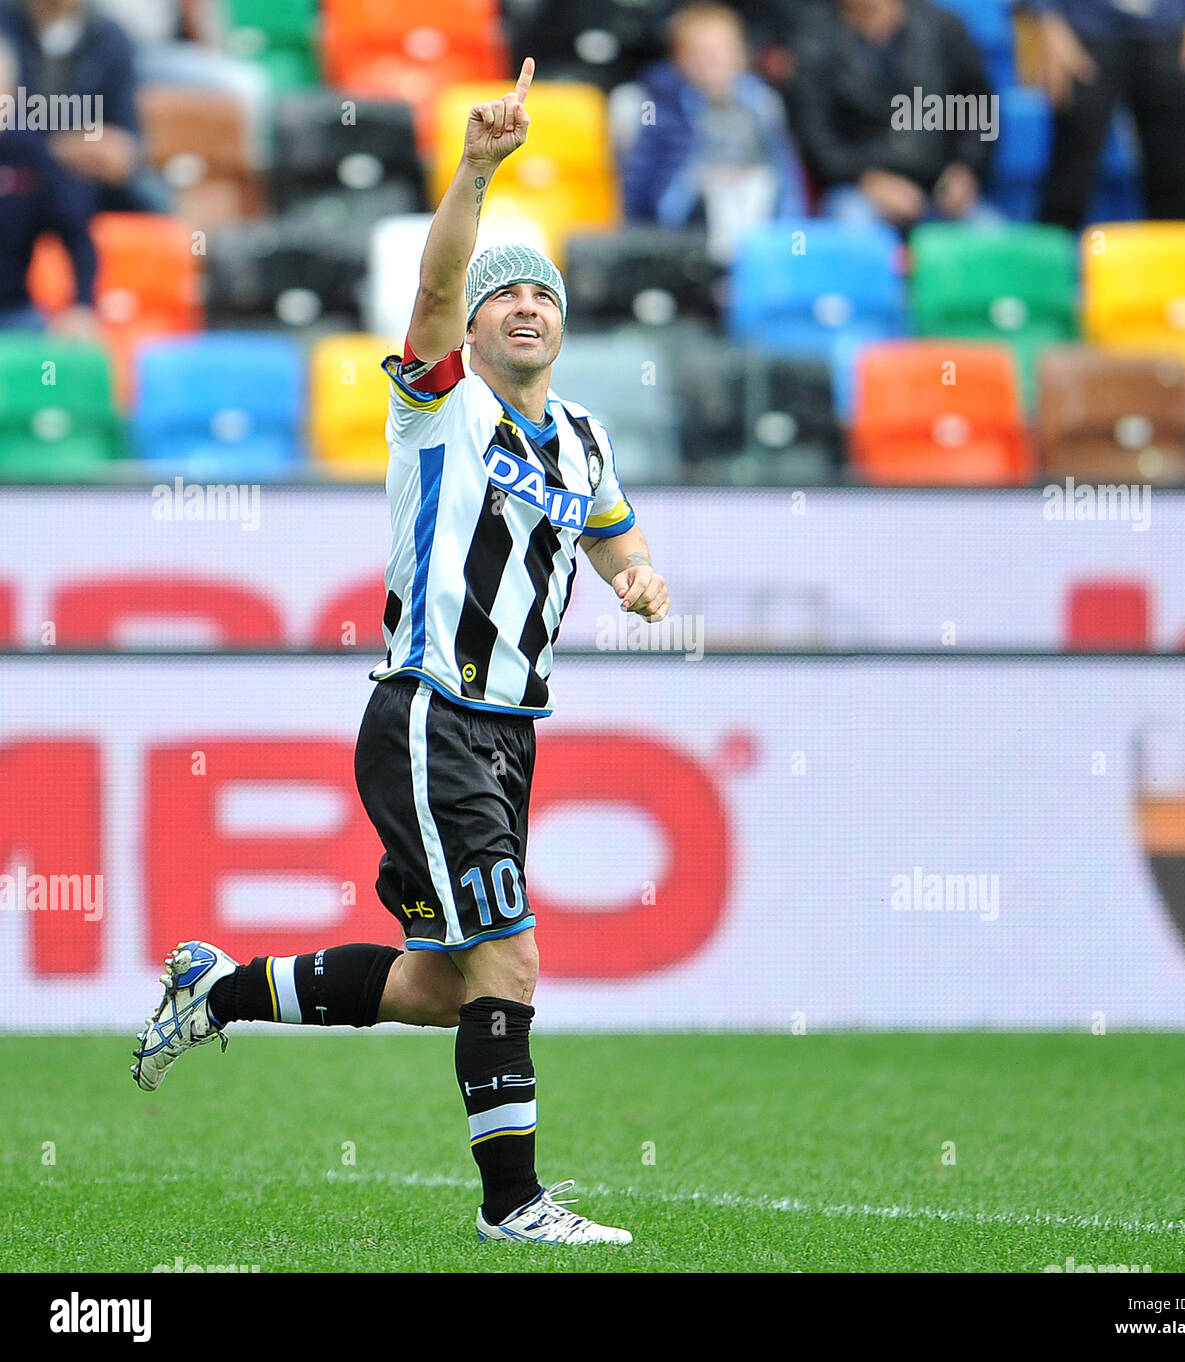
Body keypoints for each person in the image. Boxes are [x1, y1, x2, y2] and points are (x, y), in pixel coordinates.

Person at [131, 59, 671, 1248]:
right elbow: (431, 287)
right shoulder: (441, 406)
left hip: (508, 730)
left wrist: (637, 582)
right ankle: (513, 1206)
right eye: (502, 298)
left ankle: (215, 989)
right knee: (513, 962)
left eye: (543, 296)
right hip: (432, 710)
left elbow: (615, 541)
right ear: (472, 328)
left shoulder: (580, 439)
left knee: (443, 984)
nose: (526, 307)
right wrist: (477, 169)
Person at [620, 2, 807, 259]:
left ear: (741, 56)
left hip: (757, 219)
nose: (712, 64)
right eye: (700, 54)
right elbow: (642, 184)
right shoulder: (659, 107)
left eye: (721, 53)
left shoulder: (762, 103)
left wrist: (790, 231)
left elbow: (785, 172)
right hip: (685, 228)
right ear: (678, 60)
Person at [790, 0, 999, 230]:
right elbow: (818, 138)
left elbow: (980, 106)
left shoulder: (944, 27)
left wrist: (965, 169)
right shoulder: (815, 40)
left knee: (992, 238)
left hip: (939, 186)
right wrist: (866, 179)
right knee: (855, 229)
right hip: (858, 188)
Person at [1030, 0, 1185, 230]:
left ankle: (1171, 265)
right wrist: (1048, 20)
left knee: (1177, 181)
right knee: (1069, 183)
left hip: (1169, 26)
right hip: (1083, 27)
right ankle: (1052, 264)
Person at [0, 0, 168, 214]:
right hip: (17, 173)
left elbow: (129, 135)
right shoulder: (6, 26)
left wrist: (120, 151)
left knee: (153, 198)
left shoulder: (110, 37)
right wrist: (58, 148)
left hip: (86, 178)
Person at [0, 35, 97, 333]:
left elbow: (77, 236)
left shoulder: (29, 154)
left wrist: (81, 306)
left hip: (13, 315)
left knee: (71, 348)